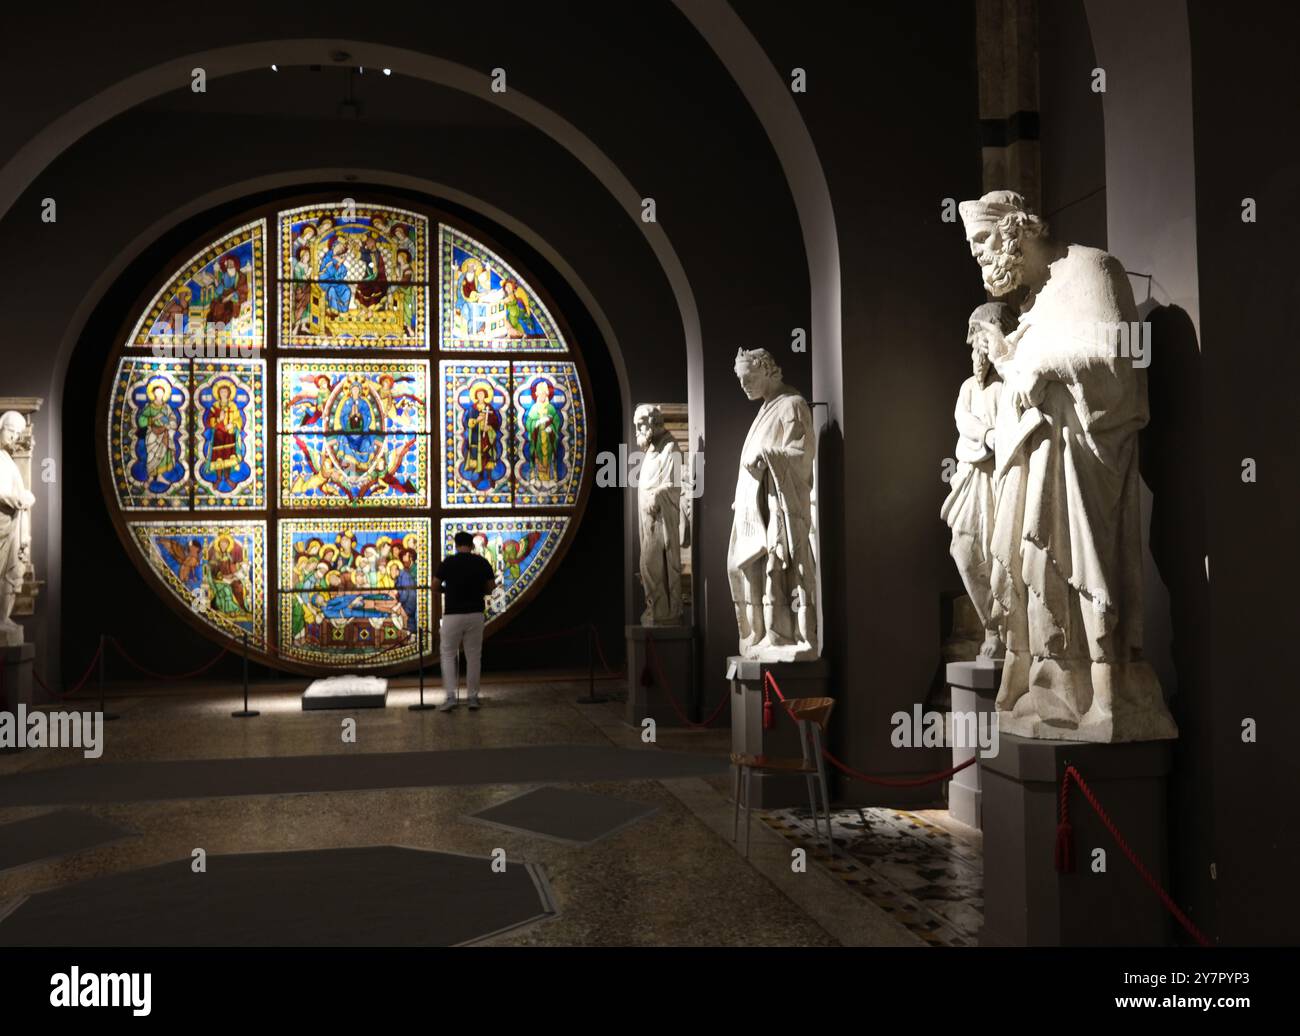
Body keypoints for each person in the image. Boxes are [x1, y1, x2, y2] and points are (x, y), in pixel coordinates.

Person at [434, 530, 497, 711]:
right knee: (474, 656)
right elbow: (491, 588)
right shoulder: (482, 562)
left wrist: (449, 591)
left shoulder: (448, 563)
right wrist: (478, 592)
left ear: (456, 545)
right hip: (476, 614)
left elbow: (435, 586)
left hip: (452, 614)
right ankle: (472, 698)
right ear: (472, 545)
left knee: (447, 655)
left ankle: (451, 697)